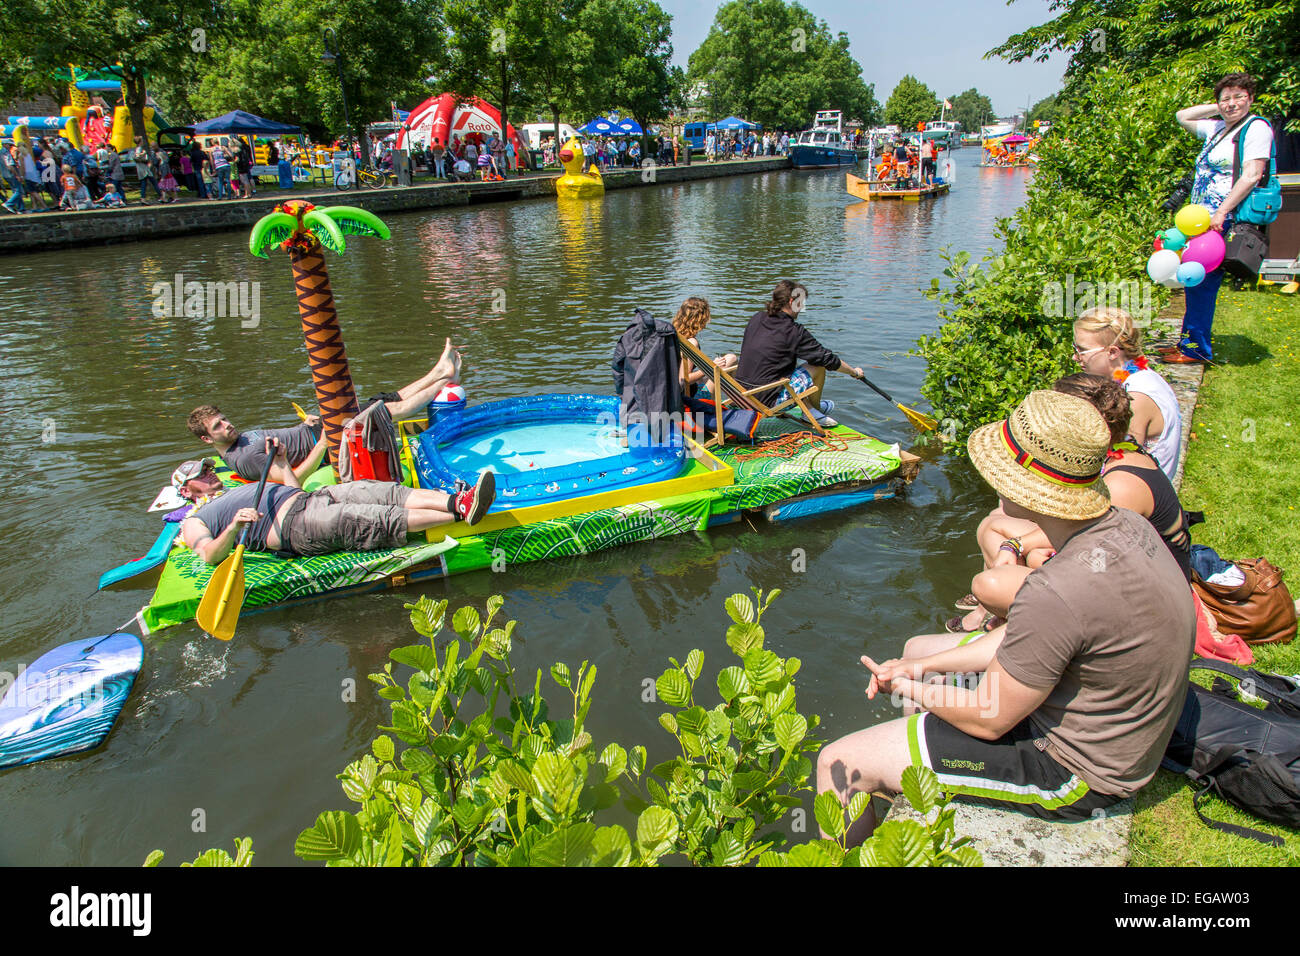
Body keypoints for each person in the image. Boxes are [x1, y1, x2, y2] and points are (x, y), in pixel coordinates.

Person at [816, 390, 1195, 844]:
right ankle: (921, 797)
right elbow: (1031, 639)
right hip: (1120, 733)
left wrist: (905, 686)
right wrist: (922, 668)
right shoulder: (1126, 525)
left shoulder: (1061, 588)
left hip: (1076, 769)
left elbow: (988, 718)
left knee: (840, 764)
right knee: (919, 651)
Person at [948, 372, 1193, 633]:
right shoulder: (1115, 456)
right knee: (995, 524)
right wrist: (1014, 544)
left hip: (1143, 604)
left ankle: (1006, 624)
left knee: (1000, 577)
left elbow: (1089, 554)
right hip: (1107, 565)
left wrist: (1018, 547)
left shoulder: (1122, 484)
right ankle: (994, 614)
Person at [174, 441, 496, 565]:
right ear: (187, 492)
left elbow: (293, 489)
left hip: (309, 498)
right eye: (199, 475)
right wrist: (233, 527)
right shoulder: (194, 520)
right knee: (368, 517)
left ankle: (459, 499)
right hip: (296, 528)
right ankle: (460, 513)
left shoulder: (232, 485)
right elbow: (209, 557)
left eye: (207, 467)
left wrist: (284, 463)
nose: (208, 473)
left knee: (380, 490)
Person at [188, 339, 463, 480]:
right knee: (393, 411)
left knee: (382, 399)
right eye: (218, 427)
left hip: (318, 427)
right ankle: (446, 379)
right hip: (330, 441)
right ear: (207, 439)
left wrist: (308, 423)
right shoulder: (244, 458)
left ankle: (437, 372)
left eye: (224, 419)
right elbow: (290, 478)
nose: (227, 425)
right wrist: (322, 443)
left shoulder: (240, 441)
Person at [1167, 72, 1275, 364]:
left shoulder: (1256, 128)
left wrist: (1222, 211)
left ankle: (1196, 349)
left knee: (1201, 282)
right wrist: (1221, 108)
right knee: (1195, 281)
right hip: (1201, 219)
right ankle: (1188, 343)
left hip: (1222, 217)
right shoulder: (1217, 128)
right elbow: (1182, 116)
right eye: (1225, 97)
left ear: (1251, 99)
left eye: (1239, 96)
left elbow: (1252, 174)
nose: (1232, 103)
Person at [1071, 306, 1182, 478]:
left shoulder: (1136, 398)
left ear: (1113, 352)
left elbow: (1124, 463)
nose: (1075, 357)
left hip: (1136, 492)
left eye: (1081, 350)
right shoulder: (1138, 375)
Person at [734, 280, 864, 425]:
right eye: (801, 303)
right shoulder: (793, 331)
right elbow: (827, 359)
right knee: (818, 365)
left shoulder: (756, 318)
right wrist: (854, 372)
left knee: (783, 365)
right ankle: (814, 411)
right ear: (791, 301)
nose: (802, 307)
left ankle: (810, 408)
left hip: (741, 395)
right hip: (766, 402)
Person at [672, 296, 738, 396]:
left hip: (675, 394)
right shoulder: (691, 342)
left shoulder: (674, 335)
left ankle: (733, 401)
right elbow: (683, 380)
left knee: (729, 359)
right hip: (691, 399)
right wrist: (710, 368)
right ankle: (733, 403)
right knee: (730, 360)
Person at [133, 137, 161, 204]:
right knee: (153, 182)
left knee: (145, 183)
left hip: (143, 169)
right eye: (142, 140)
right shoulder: (139, 149)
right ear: (140, 142)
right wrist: (144, 154)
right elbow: (137, 157)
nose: (143, 141)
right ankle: (162, 196)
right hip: (144, 169)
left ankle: (143, 198)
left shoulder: (138, 148)